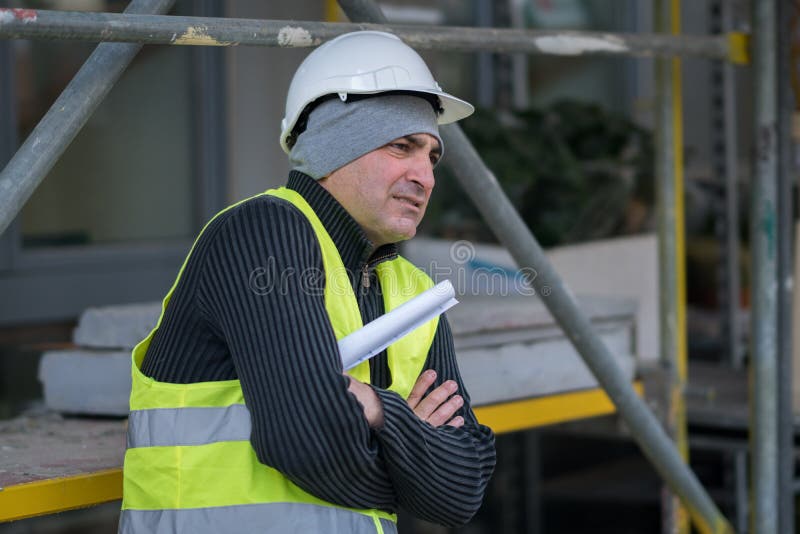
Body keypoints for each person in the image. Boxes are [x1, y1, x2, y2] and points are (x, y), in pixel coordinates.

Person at [118, 31, 496, 534]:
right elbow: (309, 445)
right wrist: (410, 470)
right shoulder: (261, 234)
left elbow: (462, 492)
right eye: (401, 146)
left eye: (431, 156)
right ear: (335, 146)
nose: (424, 176)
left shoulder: (413, 289)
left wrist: (379, 411)